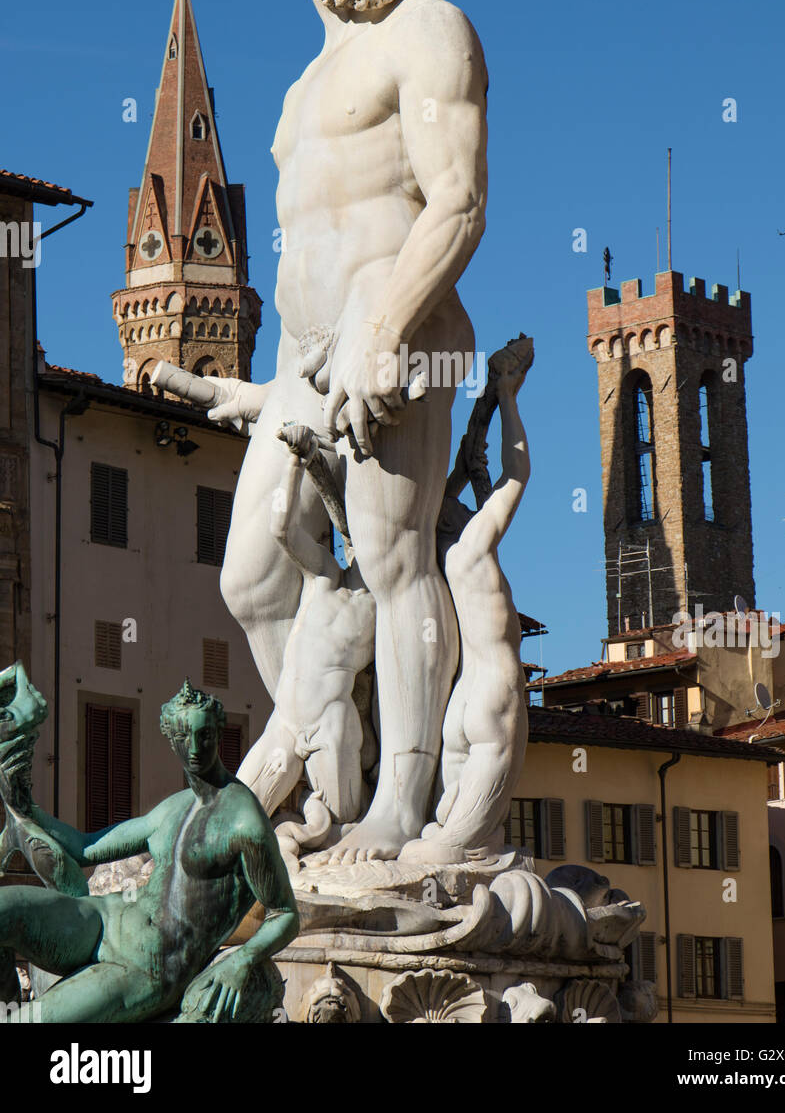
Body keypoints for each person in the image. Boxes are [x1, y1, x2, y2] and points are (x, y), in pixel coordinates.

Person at [204, 0, 488, 860]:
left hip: (397, 324)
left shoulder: (430, 30)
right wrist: (269, 386)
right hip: (300, 355)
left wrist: (384, 324)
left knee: (394, 563)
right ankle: (329, 784)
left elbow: (456, 203)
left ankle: (399, 807)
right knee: (254, 580)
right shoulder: (294, 97)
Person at [0, 677, 298, 1023]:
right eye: (184, 737)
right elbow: (85, 847)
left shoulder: (244, 821)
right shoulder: (174, 808)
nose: (195, 748)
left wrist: (242, 959)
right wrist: (23, 804)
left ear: (218, 733)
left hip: (146, 967)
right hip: (103, 919)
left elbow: (285, 913)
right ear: (171, 740)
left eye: (204, 736)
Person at [401, 340, 532, 864]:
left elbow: (462, 469)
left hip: (459, 704)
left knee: (436, 842)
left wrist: (485, 404)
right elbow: (516, 474)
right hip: (497, 693)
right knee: (461, 851)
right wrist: (508, 396)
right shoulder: (474, 550)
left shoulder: (431, 564)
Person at [238, 422, 375, 830]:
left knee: (338, 828)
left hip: (330, 724)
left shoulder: (386, 606)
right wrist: (293, 464)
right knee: (233, 817)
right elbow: (280, 529)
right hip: (284, 721)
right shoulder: (324, 575)